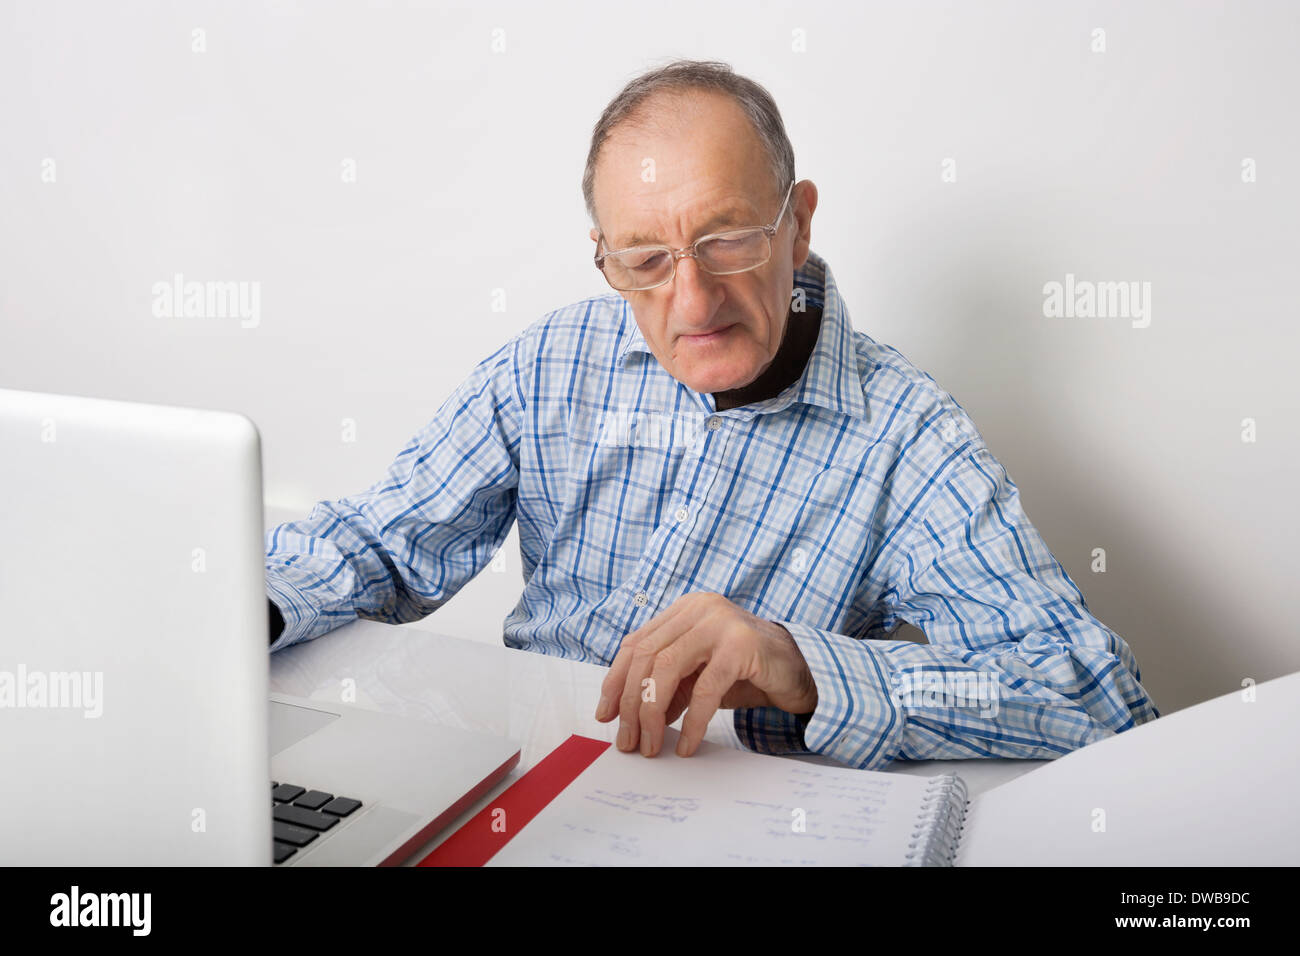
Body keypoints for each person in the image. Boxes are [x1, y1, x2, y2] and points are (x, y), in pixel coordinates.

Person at [265, 59, 1159, 771]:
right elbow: (381, 546)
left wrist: (803, 667)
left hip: (739, 818)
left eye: (727, 240)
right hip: (526, 784)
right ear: (604, 256)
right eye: (646, 258)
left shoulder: (907, 434)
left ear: (797, 225)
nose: (692, 300)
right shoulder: (551, 363)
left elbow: (1095, 699)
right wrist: (241, 607)